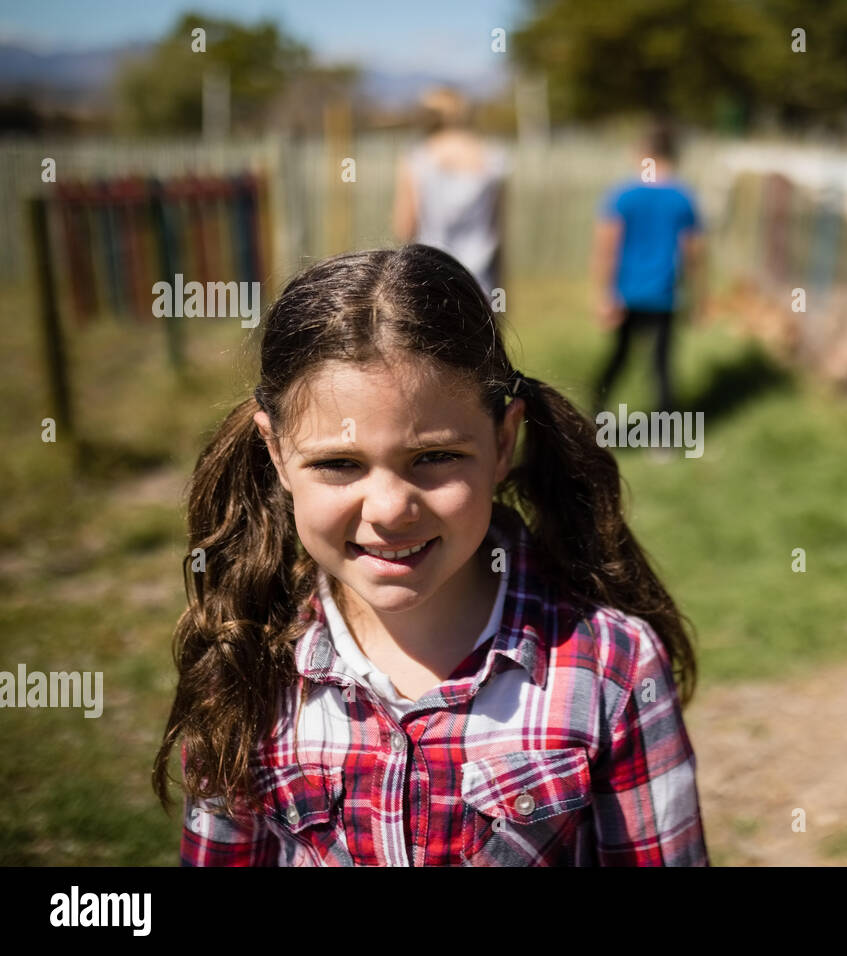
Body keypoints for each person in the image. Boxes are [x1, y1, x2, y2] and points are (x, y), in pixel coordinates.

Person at [153, 244, 707, 867]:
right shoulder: (245, 663)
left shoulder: (613, 668)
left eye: (434, 457)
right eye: (339, 464)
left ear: (503, 442)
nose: (389, 509)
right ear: (276, 452)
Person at [591, 119, 706, 415]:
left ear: (644, 153)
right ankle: (663, 439)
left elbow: (607, 248)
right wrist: (698, 297)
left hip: (626, 292)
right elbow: (694, 254)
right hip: (665, 295)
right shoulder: (683, 198)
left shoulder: (622, 195)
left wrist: (605, 293)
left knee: (619, 358)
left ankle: (592, 419)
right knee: (662, 365)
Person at [393, 88, 508, 298]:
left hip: (430, 277)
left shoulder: (418, 158)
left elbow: (405, 227)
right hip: (480, 281)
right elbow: (498, 229)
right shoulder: (494, 159)